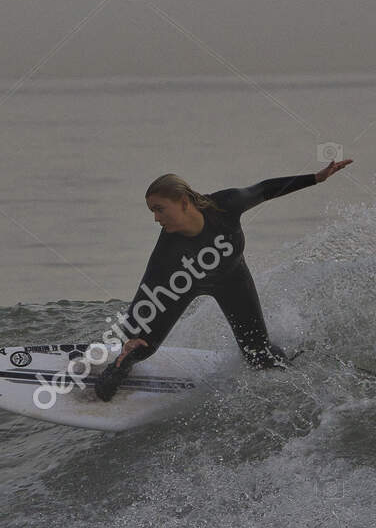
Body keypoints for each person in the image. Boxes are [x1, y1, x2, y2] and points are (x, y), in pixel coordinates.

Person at [93, 161, 352, 400]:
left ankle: (292, 376)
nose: (156, 218)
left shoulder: (226, 204)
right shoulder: (168, 249)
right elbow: (147, 290)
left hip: (232, 279)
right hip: (184, 287)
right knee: (144, 346)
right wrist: (133, 334)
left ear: (183, 202)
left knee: (257, 353)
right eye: (152, 211)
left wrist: (316, 178)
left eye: (160, 209)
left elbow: (264, 189)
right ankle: (119, 367)